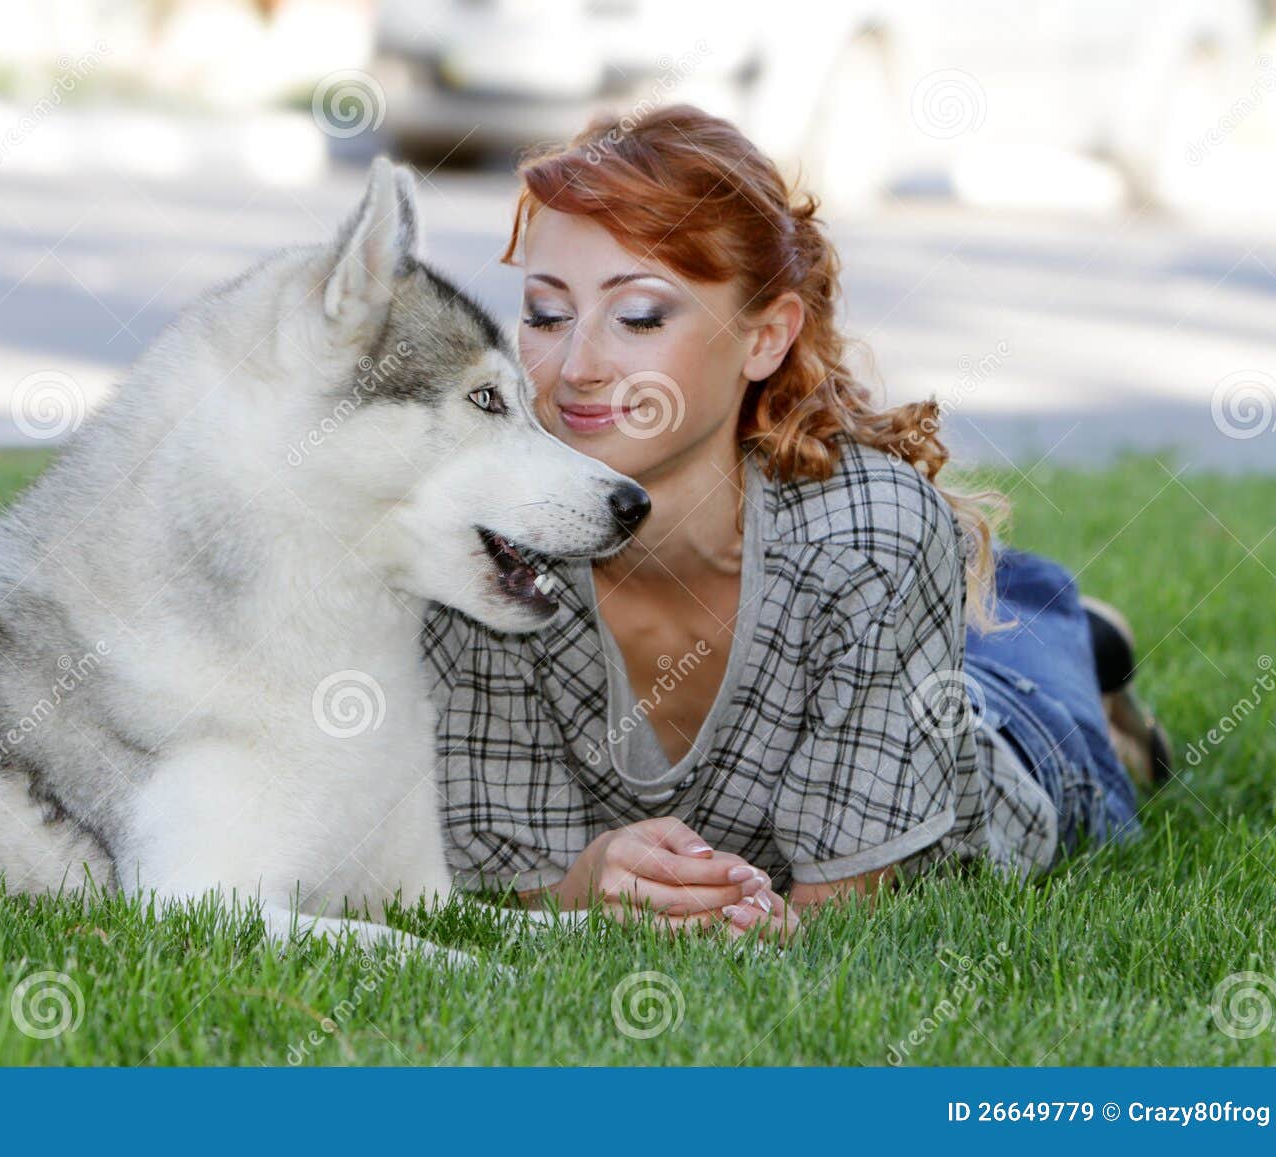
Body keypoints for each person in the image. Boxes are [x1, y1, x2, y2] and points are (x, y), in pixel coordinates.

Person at [420, 105, 1171, 943]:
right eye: (547, 314)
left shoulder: (872, 535)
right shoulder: (488, 537)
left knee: (1042, 685)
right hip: (865, 636)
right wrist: (576, 893)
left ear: (766, 338)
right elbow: (505, 876)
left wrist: (767, 927)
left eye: (638, 317)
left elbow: (838, 917)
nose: (577, 368)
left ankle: (1062, 630)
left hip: (1004, 747)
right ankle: (1023, 602)